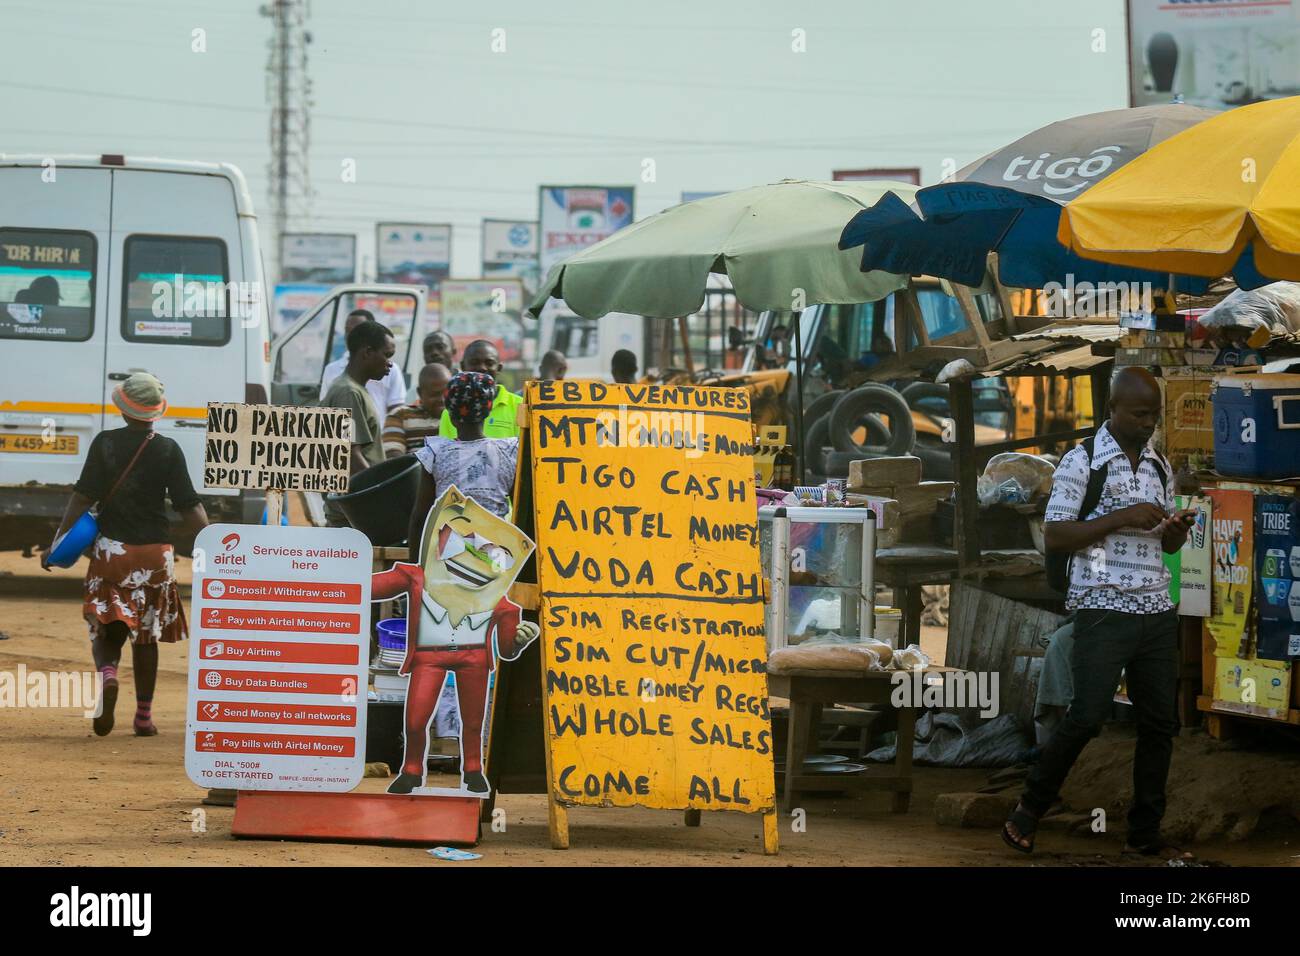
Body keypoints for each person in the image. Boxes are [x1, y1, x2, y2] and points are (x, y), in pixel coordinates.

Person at [1003, 367, 1196, 859]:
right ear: (1111, 410)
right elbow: (1057, 534)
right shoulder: (1082, 462)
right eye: (1139, 414)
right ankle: (1028, 810)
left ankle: (1144, 832)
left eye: (1154, 414)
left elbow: (1167, 549)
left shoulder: (1157, 465)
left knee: (1159, 724)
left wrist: (1175, 530)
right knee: (1086, 717)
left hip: (1155, 606)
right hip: (1102, 606)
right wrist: (1123, 517)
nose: (1148, 423)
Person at [43, 372, 208, 737]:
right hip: (155, 556)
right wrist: (215, 542)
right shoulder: (168, 449)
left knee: (108, 624)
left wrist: (58, 540)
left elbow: (83, 496)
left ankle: (108, 675)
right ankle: (144, 718)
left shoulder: (105, 444)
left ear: (122, 409)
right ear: (155, 412)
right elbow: (188, 504)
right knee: (146, 637)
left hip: (111, 552)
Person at [322, 320, 395, 526]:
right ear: (367, 352)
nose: (390, 363)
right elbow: (351, 454)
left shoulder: (354, 389)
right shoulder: (348, 393)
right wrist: (381, 494)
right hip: (353, 511)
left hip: (354, 508)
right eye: (387, 355)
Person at [320, 309, 407, 414]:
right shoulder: (349, 391)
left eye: (358, 330)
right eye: (347, 330)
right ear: (368, 352)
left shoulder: (356, 388)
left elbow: (396, 407)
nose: (350, 335)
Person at [437, 340, 522, 439]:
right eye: (474, 362)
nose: (482, 368)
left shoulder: (521, 406)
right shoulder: (451, 411)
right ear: (463, 366)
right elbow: (445, 449)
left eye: (489, 363)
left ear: (499, 368)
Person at [383, 362, 449, 458]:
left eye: (446, 394)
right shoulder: (400, 415)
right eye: (434, 395)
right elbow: (393, 456)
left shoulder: (461, 418)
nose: (442, 400)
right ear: (420, 392)